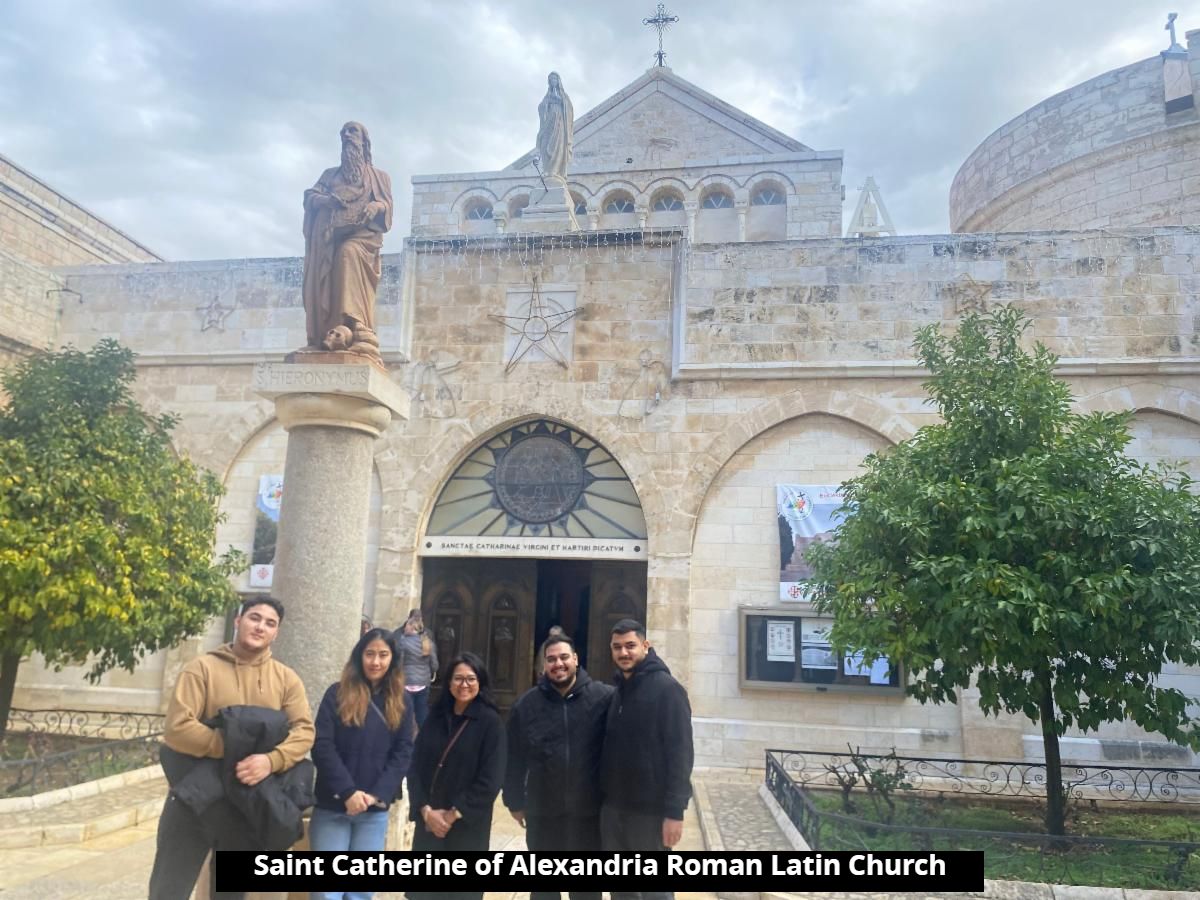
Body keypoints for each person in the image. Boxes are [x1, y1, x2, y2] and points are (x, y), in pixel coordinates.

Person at [149, 596, 314, 900]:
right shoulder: (201, 669)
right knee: (169, 889)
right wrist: (232, 747)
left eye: (270, 623)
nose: (260, 626)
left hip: (245, 804)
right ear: (238, 621)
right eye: (254, 617)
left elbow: (303, 732)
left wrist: (270, 760)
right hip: (194, 799)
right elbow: (178, 728)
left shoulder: (286, 679)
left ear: (276, 633)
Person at [309, 628, 416, 900]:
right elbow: (322, 745)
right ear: (360, 656)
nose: (376, 662)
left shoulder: (402, 700)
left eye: (383, 655)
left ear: (393, 658)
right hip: (333, 804)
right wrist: (347, 791)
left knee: (360, 892)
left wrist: (376, 793)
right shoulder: (336, 693)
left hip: (373, 809)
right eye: (370, 654)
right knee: (326, 893)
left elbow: (403, 751)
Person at [504, 634, 613, 900]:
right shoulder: (526, 705)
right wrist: (514, 800)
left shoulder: (604, 698)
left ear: (576, 659)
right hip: (544, 814)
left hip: (588, 814)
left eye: (564, 657)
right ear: (543, 666)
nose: (558, 664)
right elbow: (513, 757)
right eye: (551, 659)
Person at [599, 619, 694, 900]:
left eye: (630, 646)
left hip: (649, 814)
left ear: (645, 646)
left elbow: (680, 754)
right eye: (617, 647)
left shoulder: (668, 691)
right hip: (615, 809)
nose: (624, 653)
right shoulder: (618, 692)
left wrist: (675, 812)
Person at [405, 652, 505, 900]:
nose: (464, 685)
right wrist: (425, 811)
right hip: (429, 825)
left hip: (466, 827)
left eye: (470, 679)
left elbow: (491, 779)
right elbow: (415, 766)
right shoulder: (434, 718)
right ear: (448, 682)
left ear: (480, 682)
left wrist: (451, 815)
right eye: (458, 678)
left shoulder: (490, 723)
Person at [301, 120, 393, 361]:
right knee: (335, 263)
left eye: (353, 131)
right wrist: (326, 202)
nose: (347, 135)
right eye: (343, 132)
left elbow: (388, 207)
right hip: (329, 239)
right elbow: (310, 196)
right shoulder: (330, 175)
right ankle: (329, 331)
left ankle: (356, 323)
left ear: (364, 141)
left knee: (348, 252)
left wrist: (376, 205)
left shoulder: (379, 177)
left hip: (363, 239)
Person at [396, 609, 438, 727]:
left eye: (406, 626)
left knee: (404, 713)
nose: (404, 628)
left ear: (411, 627)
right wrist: (430, 673)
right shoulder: (428, 642)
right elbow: (434, 663)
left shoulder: (402, 642)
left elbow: (398, 663)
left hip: (406, 681)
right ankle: (424, 736)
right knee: (422, 711)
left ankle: (405, 736)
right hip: (423, 683)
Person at [536, 72, 574, 184]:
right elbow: (541, 108)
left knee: (558, 147)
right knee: (545, 145)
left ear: (558, 81)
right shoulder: (547, 96)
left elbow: (569, 110)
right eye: (551, 79)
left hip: (560, 125)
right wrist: (547, 103)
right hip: (548, 124)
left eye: (554, 79)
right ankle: (547, 170)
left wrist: (560, 101)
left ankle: (555, 172)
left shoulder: (564, 96)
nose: (553, 81)